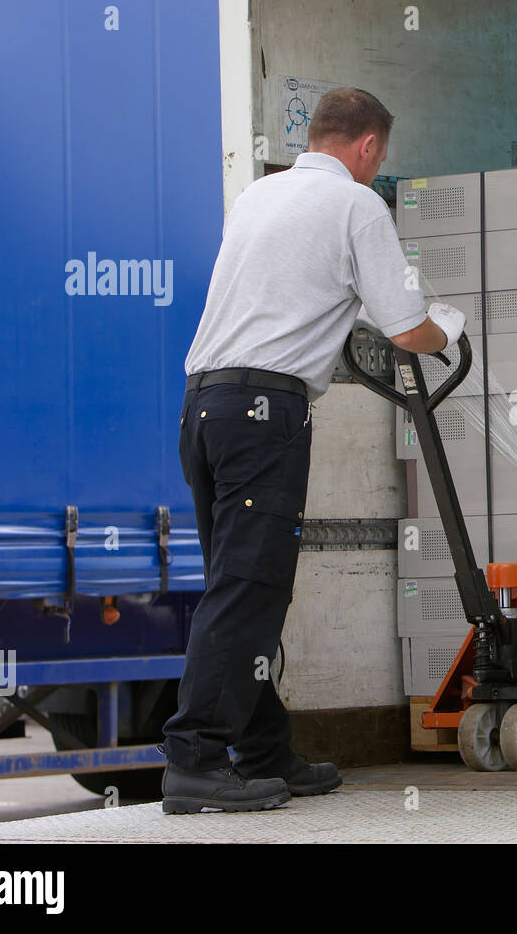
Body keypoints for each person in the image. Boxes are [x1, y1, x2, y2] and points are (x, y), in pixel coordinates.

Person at [159, 87, 464, 813]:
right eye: (378, 156)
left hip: (204, 408)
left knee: (238, 584)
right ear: (366, 147)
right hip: (265, 414)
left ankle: (264, 751)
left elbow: (301, 289)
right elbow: (403, 327)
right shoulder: (358, 206)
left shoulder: (259, 198)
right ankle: (196, 758)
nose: (375, 167)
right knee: (251, 589)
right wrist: (450, 328)